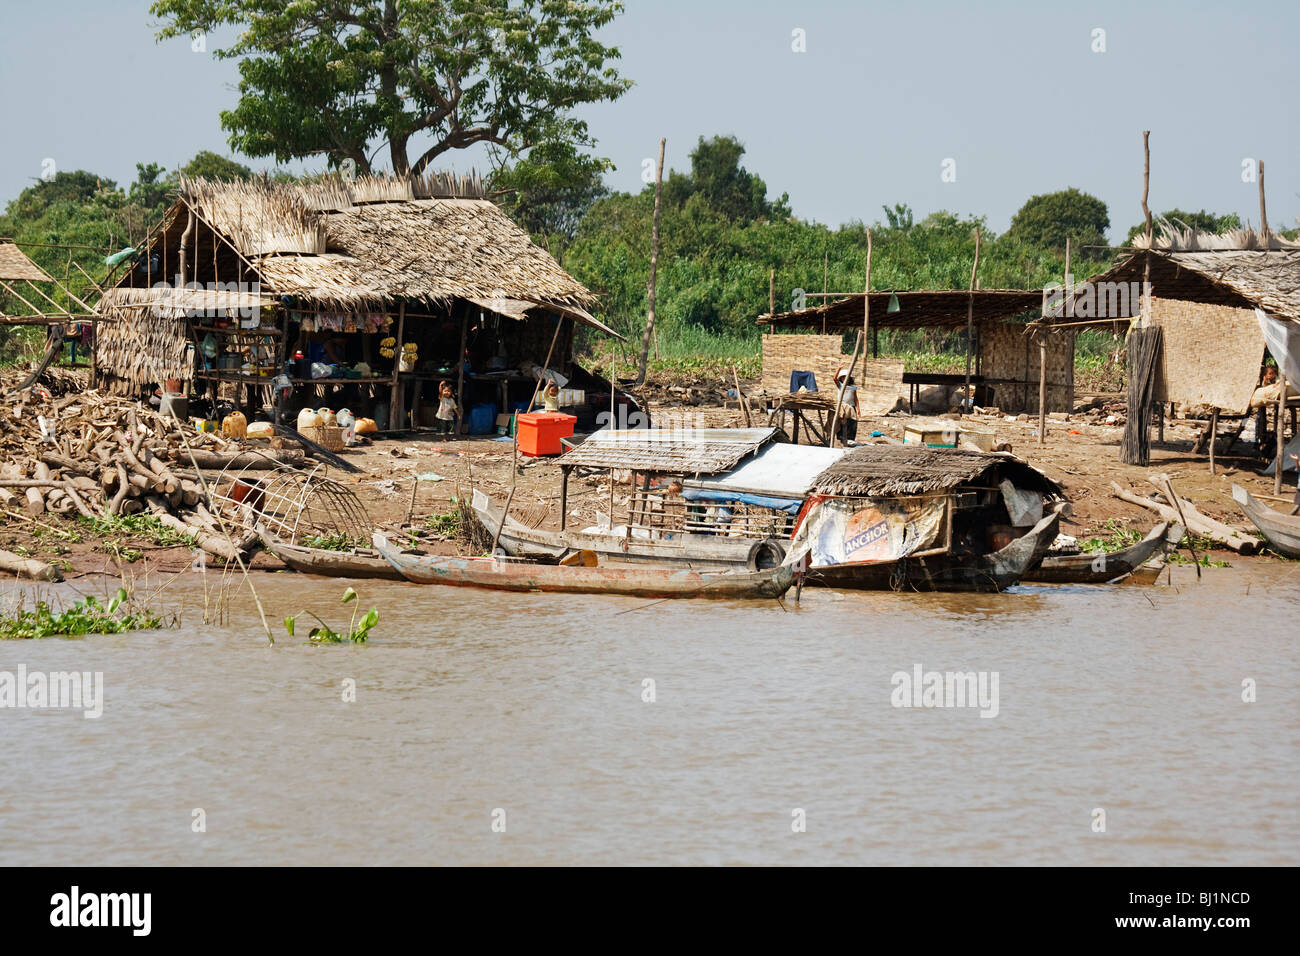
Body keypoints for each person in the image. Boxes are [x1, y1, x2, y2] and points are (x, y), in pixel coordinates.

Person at [834, 367, 859, 445]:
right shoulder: (840, 386)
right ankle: (841, 438)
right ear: (841, 378)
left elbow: (855, 398)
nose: (844, 379)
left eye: (846, 377)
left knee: (852, 422)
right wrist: (838, 369)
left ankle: (850, 439)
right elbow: (834, 379)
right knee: (841, 422)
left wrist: (858, 409)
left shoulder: (853, 387)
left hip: (851, 406)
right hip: (842, 406)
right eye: (843, 377)